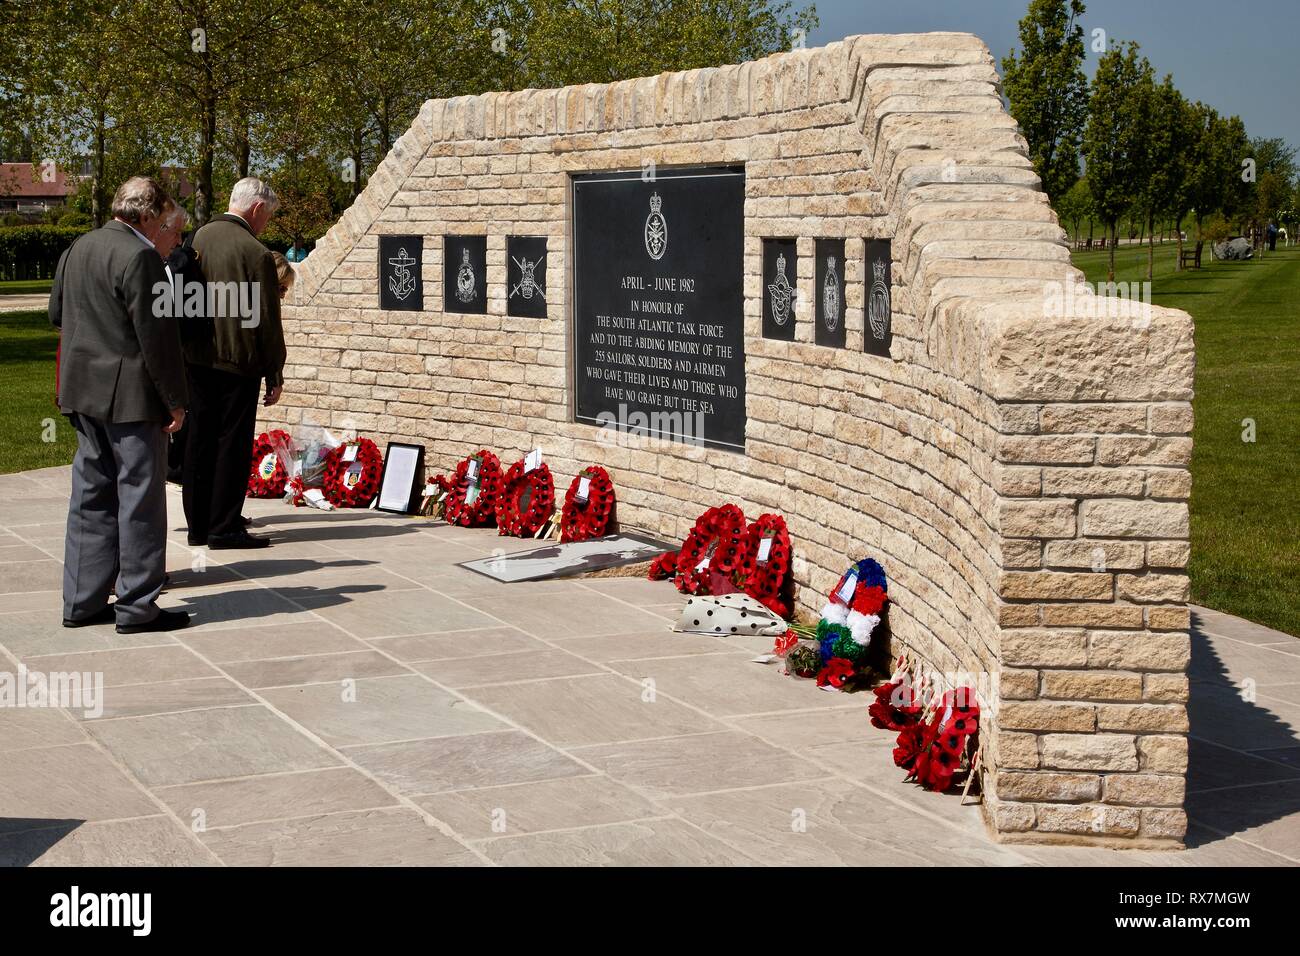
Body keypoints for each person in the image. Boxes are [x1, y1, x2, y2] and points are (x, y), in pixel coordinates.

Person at [49, 176, 191, 633]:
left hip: (82, 391)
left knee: (90, 498)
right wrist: (175, 400)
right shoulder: (141, 256)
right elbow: (158, 338)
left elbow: (56, 313)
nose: (162, 227)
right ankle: (136, 606)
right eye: (162, 218)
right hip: (131, 398)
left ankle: (82, 602)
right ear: (147, 215)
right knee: (140, 502)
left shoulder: (78, 247)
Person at [183, 177, 285, 550]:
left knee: (199, 440)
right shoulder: (255, 252)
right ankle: (223, 527)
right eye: (267, 217)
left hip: (196, 359)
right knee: (232, 445)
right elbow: (266, 319)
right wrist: (275, 369)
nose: (266, 224)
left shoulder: (196, 238)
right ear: (257, 209)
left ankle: (197, 526)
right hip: (237, 362)